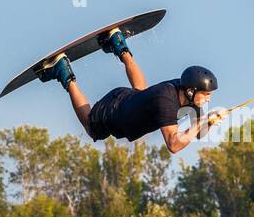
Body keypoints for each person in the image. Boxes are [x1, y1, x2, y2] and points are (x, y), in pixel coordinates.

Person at [39, 28, 228, 154]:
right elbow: (174, 145)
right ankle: (63, 71)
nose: (208, 99)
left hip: (130, 99)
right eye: (206, 94)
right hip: (113, 112)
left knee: (143, 92)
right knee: (91, 126)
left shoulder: (187, 93)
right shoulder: (167, 102)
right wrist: (203, 120)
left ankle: (117, 42)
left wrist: (210, 120)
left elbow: (197, 133)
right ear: (190, 90)